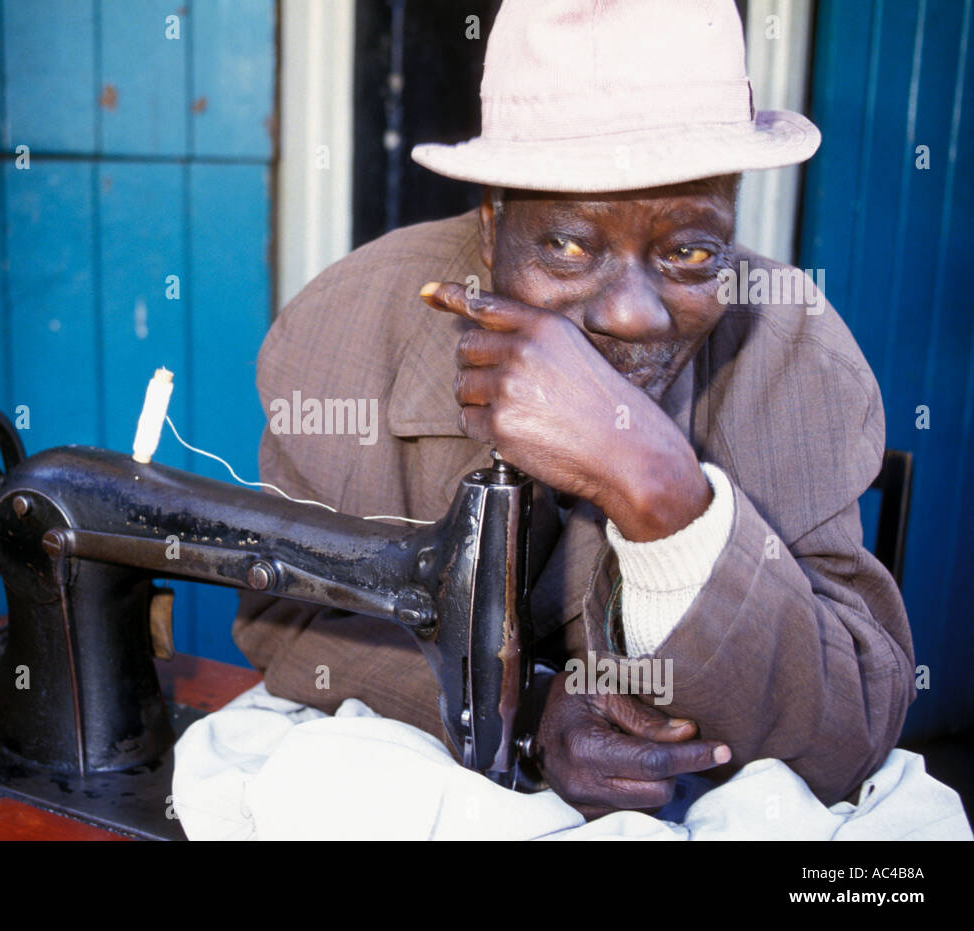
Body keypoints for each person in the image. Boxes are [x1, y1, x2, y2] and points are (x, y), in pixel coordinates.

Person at [233, 0, 914, 818]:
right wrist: (519, 710)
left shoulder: (799, 355)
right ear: (491, 228)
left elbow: (852, 732)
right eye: (566, 244)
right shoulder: (342, 328)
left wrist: (660, 489)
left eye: (691, 250)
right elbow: (288, 612)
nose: (631, 315)